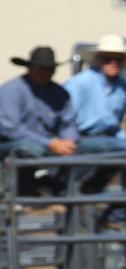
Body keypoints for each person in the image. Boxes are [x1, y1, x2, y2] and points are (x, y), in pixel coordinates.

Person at [64, 35, 126, 221]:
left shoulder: (122, 87)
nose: (113, 62)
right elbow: (64, 118)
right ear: (98, 59)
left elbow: (114, 123)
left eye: (118, 59)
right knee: (122, 149)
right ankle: (91, 191)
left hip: (110, 142)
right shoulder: (80, 84)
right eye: (107, 58)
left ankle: (116, 215)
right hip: (82, 139)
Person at [0, 46, 78, 195]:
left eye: (49, 69)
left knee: (97, 148)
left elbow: (68, 123)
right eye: (41, 68)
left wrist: (69, 141)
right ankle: (29, 188)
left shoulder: (60, 93)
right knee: (29, 149)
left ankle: (59, 185)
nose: (45, 73)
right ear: (30, 68)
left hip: (50, 144)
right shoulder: (12, 90)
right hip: (11, 145)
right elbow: (9, 129)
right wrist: (51, 143)